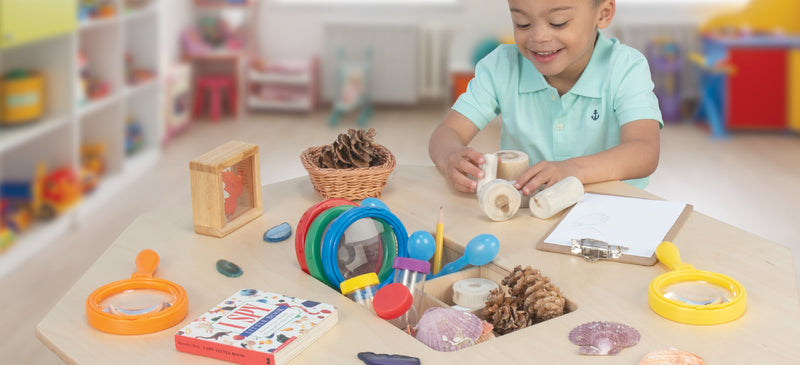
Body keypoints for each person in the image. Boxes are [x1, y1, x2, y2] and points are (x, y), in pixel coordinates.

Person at [428, 0, 662, 195]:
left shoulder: (626, 68)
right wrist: (450, 156)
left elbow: (644, 151)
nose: (538, 36)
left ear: (603, 14)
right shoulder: (501, 65)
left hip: (612, 209)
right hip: (531, 211)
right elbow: (448, 131)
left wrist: (573, 170)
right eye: (522, 23)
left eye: (558, 22)